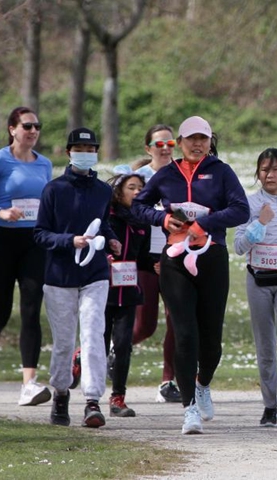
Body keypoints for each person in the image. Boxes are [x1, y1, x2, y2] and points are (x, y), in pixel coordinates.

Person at [131, 115, 249, 435]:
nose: (198, 144)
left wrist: (204, 223)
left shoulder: (221, 172)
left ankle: (203, 383)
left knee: (211, 341)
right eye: (191, 139)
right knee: (184, 334)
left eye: (203, 138)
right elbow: (136, 207)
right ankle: (189, 409)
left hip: (212, 258)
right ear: (180, 143)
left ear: (210, 141)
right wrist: (161, 218)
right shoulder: (166, 175)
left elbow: (241, 210)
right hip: (174, 261)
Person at [34, 127, 122, 428]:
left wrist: (111, 239)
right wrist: (70, 241)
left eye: (91, 149)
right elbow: (40, 234)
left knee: (94, 335)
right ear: (69, 152)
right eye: (80, 149)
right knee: (63, 341)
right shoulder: (54, 190)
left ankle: (92, 400)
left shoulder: (102, 190)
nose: (86, 154)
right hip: (59, 276)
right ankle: (60, 393)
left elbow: (104, 223)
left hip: (95, 275)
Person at [0, 107, 52, 405]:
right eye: (27, 126)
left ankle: (29, 385)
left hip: (33, 242)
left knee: (32, 310)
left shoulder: (45, 164)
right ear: (12, 129)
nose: (33, 131)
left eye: (37, 126)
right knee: (0, 313)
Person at [234, 148, 277, 427]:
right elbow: (238, 246)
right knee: (265, 347)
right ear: (257, 173)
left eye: (275, 170)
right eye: (264, 169)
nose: (270, 175)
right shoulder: (248, 203)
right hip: (258, 280)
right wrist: (259, 223)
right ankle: (269, 405)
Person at [115, 124, 181, 403]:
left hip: (174, 255)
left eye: (170, 144)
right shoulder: (138, 178)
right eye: (159, 144)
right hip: (145, 259)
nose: (165, 149)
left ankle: (168, 382)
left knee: (176, 320)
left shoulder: (180, 176)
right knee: (145, 326)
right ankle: (104, 350)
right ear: (148, 149)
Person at [103, 173, 152, 417]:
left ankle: (117, 399)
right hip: (102, 290)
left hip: (129, 291)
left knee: (122, 345)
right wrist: (106, 257)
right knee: (99, 345)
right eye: (131, 187)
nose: (136, 192)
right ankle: (89, 395)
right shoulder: (106, 216)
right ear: (118, 192)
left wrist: (157, 263)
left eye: (140, 188)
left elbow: (143, 258)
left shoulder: (142, 222)